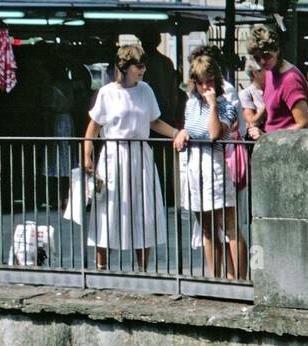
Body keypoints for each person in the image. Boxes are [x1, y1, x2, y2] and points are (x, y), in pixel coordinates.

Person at [83, 43, 178, 271]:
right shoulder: (107, 92)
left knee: (143, 208)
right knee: (110, 208)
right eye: (138, 66)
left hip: (140, 155)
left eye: (144, 66)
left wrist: (176, 133)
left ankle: (143, 268)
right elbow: (94, 126)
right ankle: (101, 266)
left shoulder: (146, 90)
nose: (142, 70)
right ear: (125, 67)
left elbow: (153, 121)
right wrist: (87, 155)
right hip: (115, 155)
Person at [175, 49, 246, 281]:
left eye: (209, 82)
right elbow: (191, 128)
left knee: (229, 227)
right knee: (206, 229)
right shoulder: (191, 104)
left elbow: (216, 133)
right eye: (200, 83)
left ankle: (240, 280)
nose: (205, 87)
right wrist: (183, 132)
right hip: (194, 168)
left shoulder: (226, 104)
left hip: (214, 167)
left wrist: (213, 105)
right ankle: (213, 279)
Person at [240, 22, 308, 137]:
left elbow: (303, 123)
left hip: (284, 148)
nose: (262, 61)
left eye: (266, 56)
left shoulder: (290, 79)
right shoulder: (270, 72)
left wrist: (266, 137)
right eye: (257, 58)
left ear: (277, 50)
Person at [139, 27, 178, 127]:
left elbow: (172, 88)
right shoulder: (166, 62)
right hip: (162, 111)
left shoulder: (141, 62)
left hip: (158, 111)